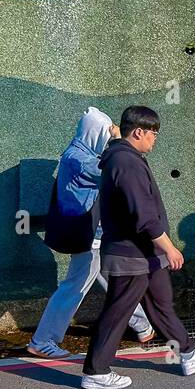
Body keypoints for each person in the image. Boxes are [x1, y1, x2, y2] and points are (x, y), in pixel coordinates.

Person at [80, 106, 195, 388]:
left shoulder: (126, 158)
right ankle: (95, 372)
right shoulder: (126, 162)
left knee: (160, 303)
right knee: (118, 310)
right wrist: (169, 248)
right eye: (153, 133)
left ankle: (188, 352)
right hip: (131, 254)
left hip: (145, 253)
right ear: (138, 132)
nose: (155, 139)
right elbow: (143, 215)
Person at [28, 108, 155, 361]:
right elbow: (119, 170)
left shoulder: (80, 153)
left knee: (112, 279)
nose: (108, 140)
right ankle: (43, 340)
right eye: (105, 135)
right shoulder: (80, 159)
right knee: (75, 286)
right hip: (87, 234)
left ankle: (143, 326)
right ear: (95, 133)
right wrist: (121, 141)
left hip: (92, 232)